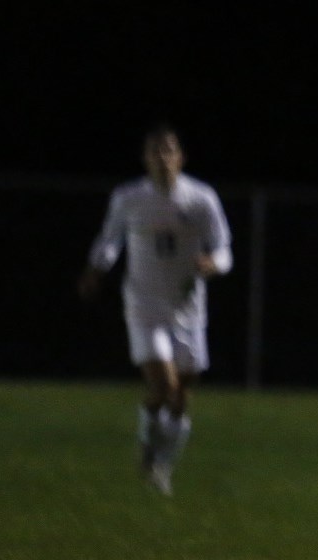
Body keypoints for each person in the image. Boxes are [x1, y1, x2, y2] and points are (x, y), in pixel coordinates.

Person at [78, 124, 233, 496]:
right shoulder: (130, 198)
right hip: (144, 305)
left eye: (169, 151)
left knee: (181, 397)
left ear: (181, 157)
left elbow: (224, 248)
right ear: (145, 159)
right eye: (155, 152)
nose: (162, 158)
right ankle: (150, 450)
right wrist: (96, 270)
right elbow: (110, 240)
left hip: (189, 309)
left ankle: (162, 464)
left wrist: (214, 263)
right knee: (165, 384)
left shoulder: (201, 199)